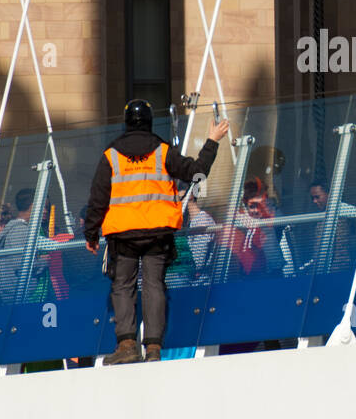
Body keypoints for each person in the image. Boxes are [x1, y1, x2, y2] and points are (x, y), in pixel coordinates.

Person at [85, 98, 228, 365]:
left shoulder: (111, 155)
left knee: (123, 286)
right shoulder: (163, 151)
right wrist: (212, 140)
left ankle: (127, 345)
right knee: (154, 286)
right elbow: (197, 174)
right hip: (158, 232)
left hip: (124, 234)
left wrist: (91, 234)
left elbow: (97, 198)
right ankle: (153, 349)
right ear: (150, 121)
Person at [0, 188, 49, 305]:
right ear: (33, 206)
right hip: (20, 297)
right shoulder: (20, 230)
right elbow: (21, 265)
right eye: (44, 207)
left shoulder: (22, 229)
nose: (45, 211)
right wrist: (43, 261)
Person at [229, 177, 274, 279]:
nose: (257, 210)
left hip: (267, 275)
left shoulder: (270, 221)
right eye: (252, 206)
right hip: (244, 275)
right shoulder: (241, 222)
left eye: (261, 205)